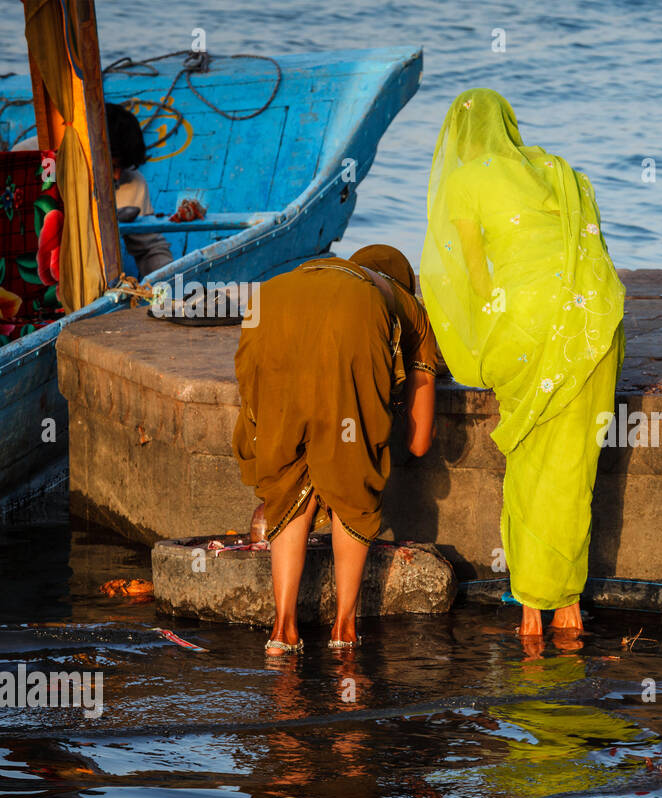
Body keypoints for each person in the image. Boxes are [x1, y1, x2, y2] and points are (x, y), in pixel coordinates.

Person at [420, 88, 624, 638]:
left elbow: (477, 279)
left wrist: (484, 339)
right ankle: (570, 606)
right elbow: (591, 248)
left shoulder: (464, 182)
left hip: (527, 330)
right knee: (573, 468)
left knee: (532, 460)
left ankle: (534, 610)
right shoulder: (558, 170)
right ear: (507, 125)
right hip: (593, 322)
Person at [232, 244, 438, 655]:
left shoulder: (308, 273)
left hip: (266, 308)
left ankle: (282, 631)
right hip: (352, 317)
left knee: (288, 479)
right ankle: (344, 630)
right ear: (403, 283)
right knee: (351, 482)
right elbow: (419, 443)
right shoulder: (403, 306)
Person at [104, 103, 171, 278]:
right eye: (113, 166)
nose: (118, 176)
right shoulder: (47, 162)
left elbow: (149, 248)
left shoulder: (133, 181)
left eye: (123, 167)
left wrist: (176, 286)